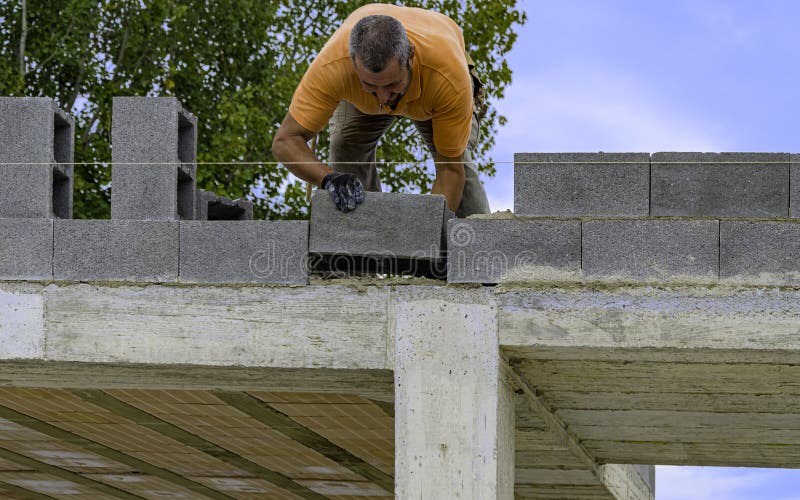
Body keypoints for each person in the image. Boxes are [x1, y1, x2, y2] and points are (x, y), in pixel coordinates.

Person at [272, 3, 491, 217]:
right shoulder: (334, 67)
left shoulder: (447, 78)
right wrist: (328, 178)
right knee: (345, 148)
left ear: (410, 58)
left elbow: (450, 172)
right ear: (353, 65)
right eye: (371, 85)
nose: (383, 98)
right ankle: (365, 237)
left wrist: (430, 237)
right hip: (361, 94)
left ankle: (480, 244)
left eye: (391, 85)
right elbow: (286, 141)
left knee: (458, 167)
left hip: (432, 91)